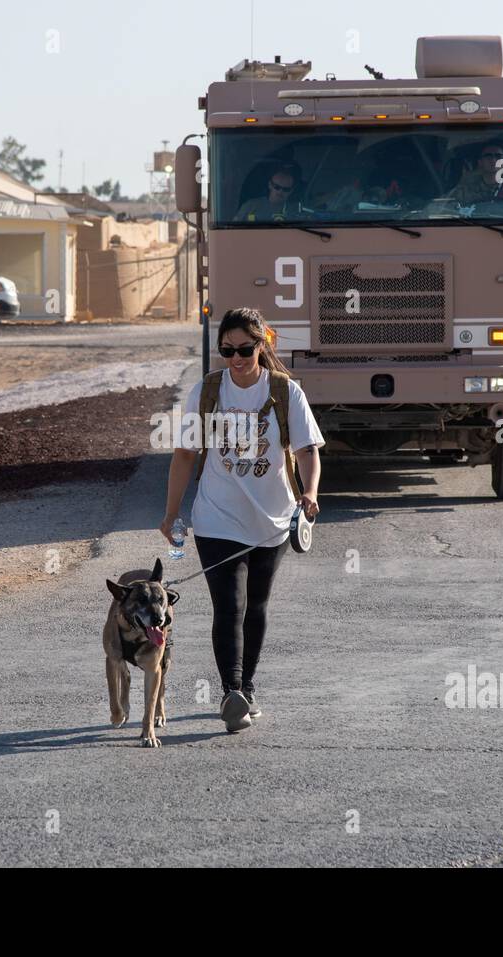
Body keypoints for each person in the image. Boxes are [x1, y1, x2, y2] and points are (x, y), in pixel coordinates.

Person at [161, 307, 325, 733]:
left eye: (245, 349)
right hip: (217, 516)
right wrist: (171, 511)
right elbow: (184, 453)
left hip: (272, 520)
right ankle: (231, 691)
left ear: (261, 345)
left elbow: (307, 450)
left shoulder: (286, 392)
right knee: (229, 606)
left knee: (256, 606)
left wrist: (309, 493)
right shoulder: (208, 391)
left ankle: (247, 687)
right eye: (227, 350)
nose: (235, 358)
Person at [443, 141, 503, 208]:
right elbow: (441, 207)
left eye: (498, 156)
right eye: (488, 156)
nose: (493, 160)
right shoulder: (465, 190)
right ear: (480, 162)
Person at [234, 165, 299, 222]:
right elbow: (234, 230)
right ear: (270, 185)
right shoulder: (251, 206)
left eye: (286, 189)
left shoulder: (296, 211)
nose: (280, 191)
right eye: (277, 187)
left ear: (291, 190)